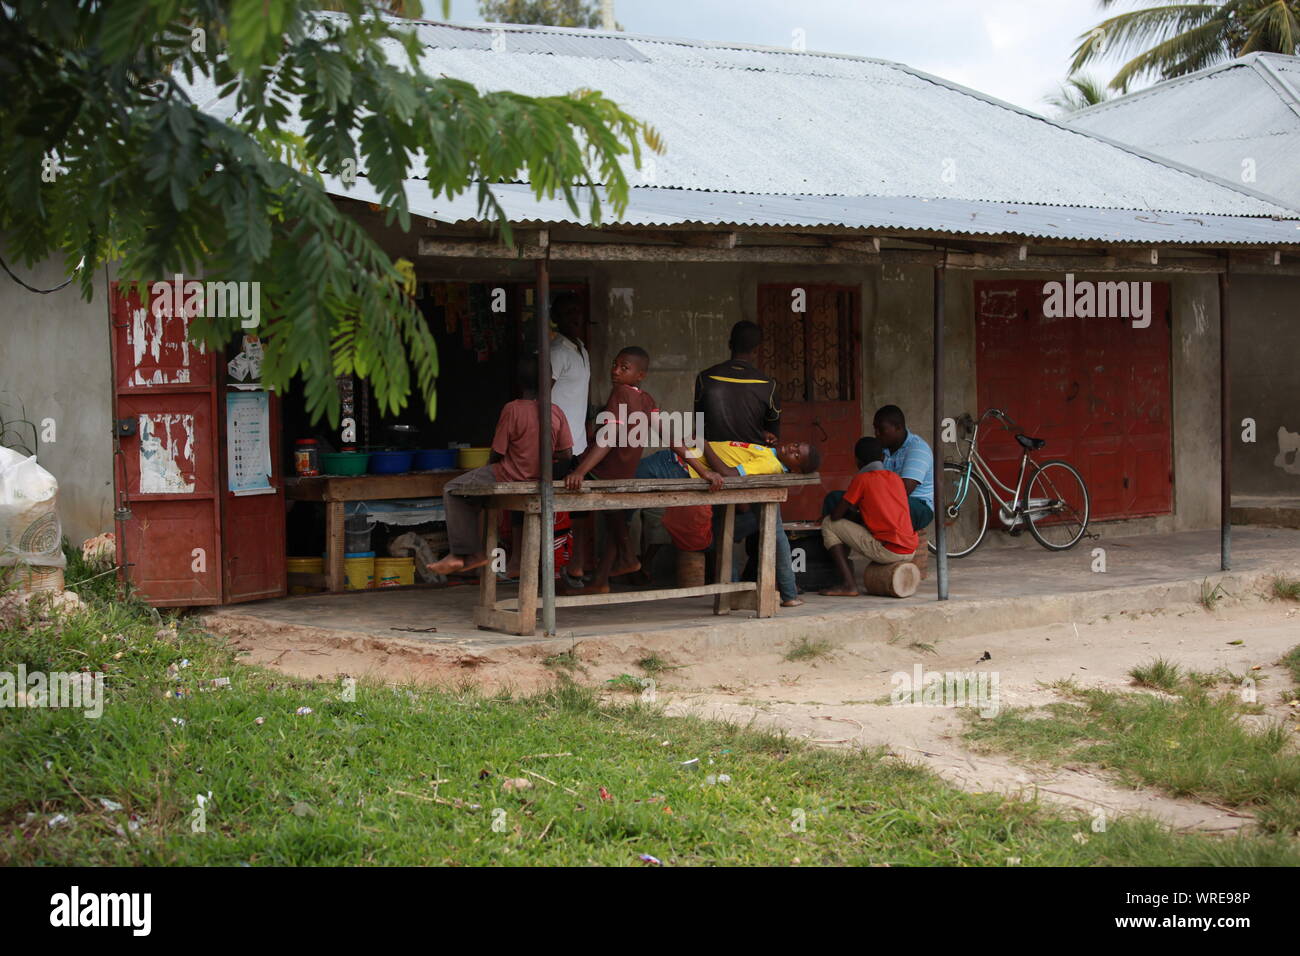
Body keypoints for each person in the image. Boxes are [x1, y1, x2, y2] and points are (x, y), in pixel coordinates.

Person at [428, 356, 573, 576]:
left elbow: (498, 451)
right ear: (548, 381)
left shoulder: (512, 409)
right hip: (539, 477)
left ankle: (464, 553)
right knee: (476, 497)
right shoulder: (556, 411)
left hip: (507, 475)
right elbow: (566, 454)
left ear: (519, 382)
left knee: (452, 489)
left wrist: (487, 468)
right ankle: (471, 553)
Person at [693, 320, 802, 606]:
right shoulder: (768, 385)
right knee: (774, 528)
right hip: (753, 465)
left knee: (721, 526)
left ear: (729, 343)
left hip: (717, 463)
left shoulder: (706, 378)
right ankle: (790, 594)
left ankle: (726, 595)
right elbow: (773, 438)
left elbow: (698, 426)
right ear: (757, 349)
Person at [562, 346, 657, 593]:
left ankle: (578, 561)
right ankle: (608, 572)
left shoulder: (620, 392)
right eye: (614, 364)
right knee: (615, 514)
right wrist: (701, 468)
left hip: (603, 469)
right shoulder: (647, 399)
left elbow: (609, 437)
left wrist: (581, 470)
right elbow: (669, 433)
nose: (615, 371)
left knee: (572, 485)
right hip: (624, 472)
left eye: (624, 368)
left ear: (640, 375)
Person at [819, 437, 918, 596]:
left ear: (857, 462)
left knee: (828, 524)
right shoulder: (895, 478)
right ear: (883, 458)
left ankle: (848, 584)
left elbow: (837, 515)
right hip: (911, 549)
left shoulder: (862, 479)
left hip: (889, 551)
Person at [873, 404, 935, 532]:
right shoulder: (882, 449)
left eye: (881, 429)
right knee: (836, 499)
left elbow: (903, 490)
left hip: (917, 505)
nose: (876, 434)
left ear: (898, 428)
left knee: (892, 507)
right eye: (875, 429)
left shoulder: (917, 448)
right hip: (886, 501)